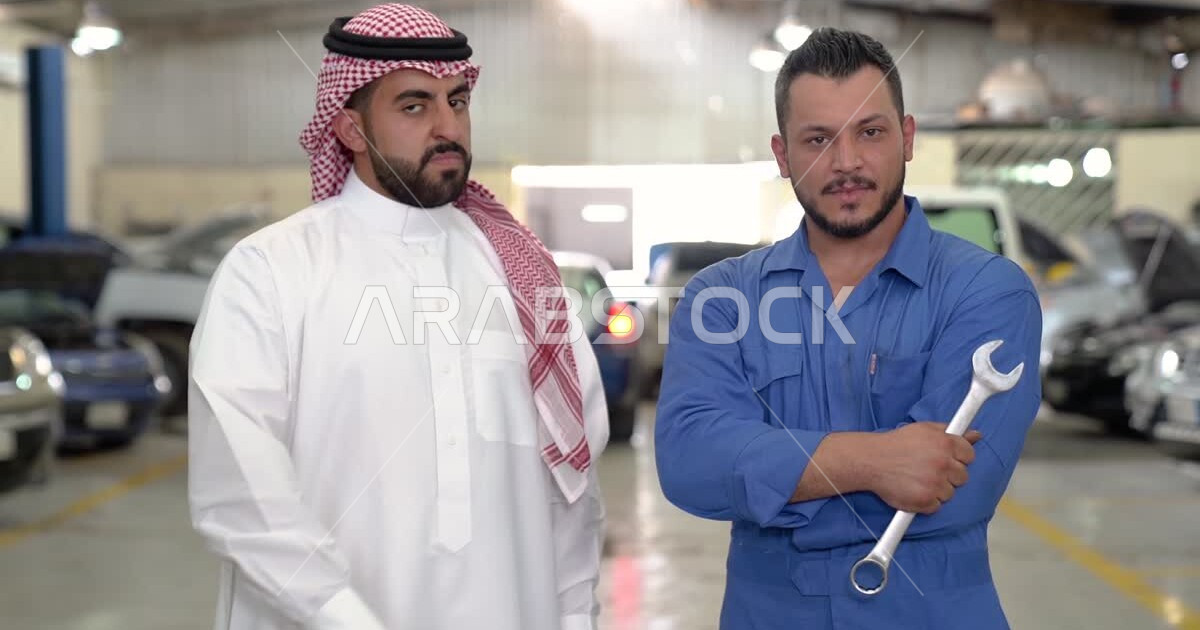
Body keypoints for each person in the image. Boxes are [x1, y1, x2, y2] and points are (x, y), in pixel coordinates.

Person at [187, 4, 608, 629]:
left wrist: (576, 619)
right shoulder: (271, 271)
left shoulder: (522, 276)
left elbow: (572, 487)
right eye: (415, 106)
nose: (448, 126)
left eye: (457, 101)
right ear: (351, 130)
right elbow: (239, 491)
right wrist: (346, 618)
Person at [654, 28, 1041, 629]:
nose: (847, 162)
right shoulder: (721, 298)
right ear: (783, 156)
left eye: (870, 132)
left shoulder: (987, 291)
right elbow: (691, 465)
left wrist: (767, 485)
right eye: (818, 139)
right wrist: (874, 462)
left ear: (906, 138)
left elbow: (957, 491)